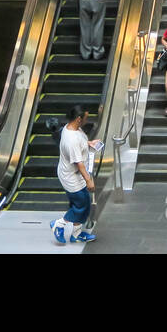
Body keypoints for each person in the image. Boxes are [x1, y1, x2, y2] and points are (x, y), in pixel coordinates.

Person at [50, 104, 100, 244]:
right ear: (78, 119)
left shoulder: (72, 128)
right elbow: (79, 163)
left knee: (82, 203)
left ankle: (76, 235)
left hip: (73, 174)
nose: (87, 120)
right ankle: (58, 224)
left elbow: (80, 142)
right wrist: (89, 180)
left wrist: (88, 143)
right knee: (81, 205)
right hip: (71, 177)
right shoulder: (71, 140)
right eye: (85, 118)